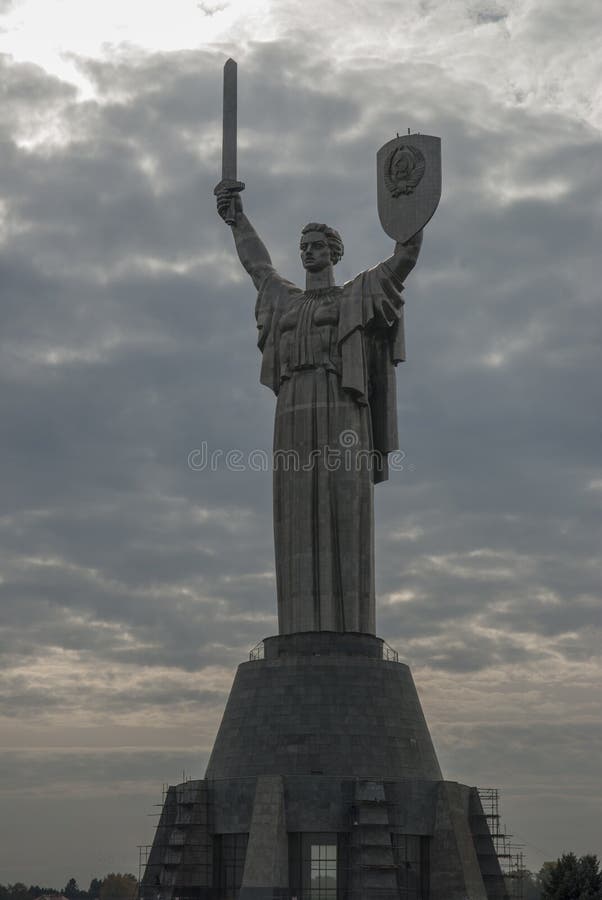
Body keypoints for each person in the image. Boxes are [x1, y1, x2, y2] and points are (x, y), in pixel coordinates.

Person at [216, 186, 422, 636]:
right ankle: (299, 628)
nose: (309, 252)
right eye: (304, 247)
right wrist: (238, 221)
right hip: (292, 411)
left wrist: (413, 215)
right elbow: (257, 265)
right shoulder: (284, 300)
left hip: (341, 404)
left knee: (343, 506)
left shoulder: (356, 294)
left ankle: (349, 629)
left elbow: (402, 261)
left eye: (318, 246)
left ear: (335, 253)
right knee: (295, 512)